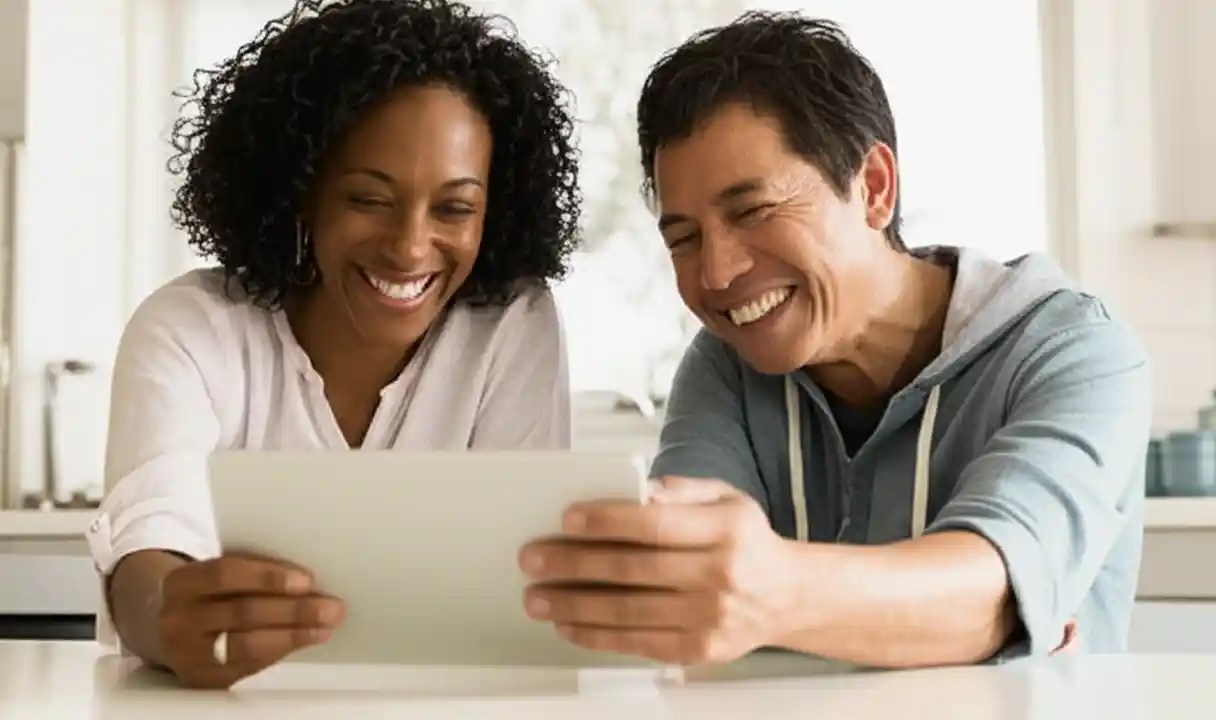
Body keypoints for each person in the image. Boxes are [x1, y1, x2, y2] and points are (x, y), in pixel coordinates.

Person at [519, 11, 1151, 668]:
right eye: (683, 239)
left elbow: (988, 598)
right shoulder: (726, 367)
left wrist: (777, 596)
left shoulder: (1075, 351)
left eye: (753, 211)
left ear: (873, 187)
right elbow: (690, 602)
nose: (716, 272)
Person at [87, 0, 581, 688]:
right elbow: (147, 545)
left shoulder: (510, 326)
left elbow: (521, 577)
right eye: (367, 199)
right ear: (300, 193)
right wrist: (170, 614)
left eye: (455, 208)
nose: (411, 246)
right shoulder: (191, 328)